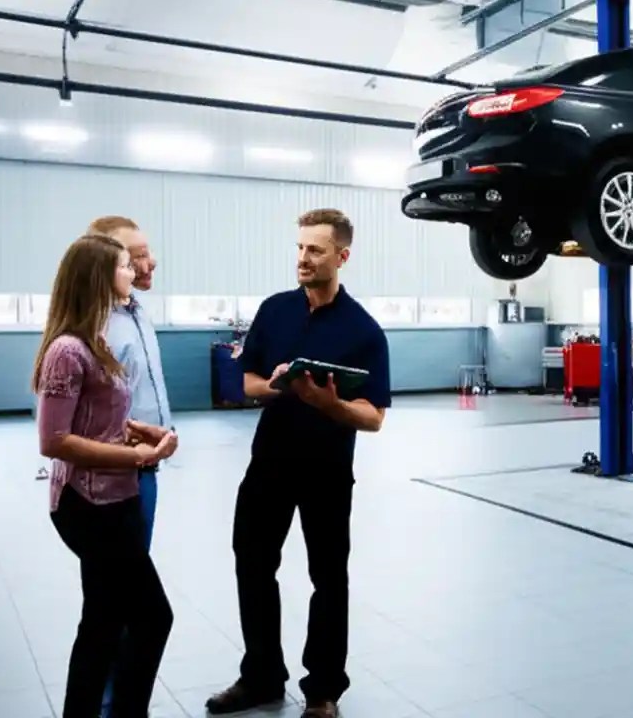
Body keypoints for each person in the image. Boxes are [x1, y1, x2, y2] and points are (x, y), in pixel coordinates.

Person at [206, 209, 391, 718]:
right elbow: (243, 383)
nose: (303, 259)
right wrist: (279, 384)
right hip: (268, 463)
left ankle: (324, 690)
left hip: (328, 471)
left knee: (328, 577)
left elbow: (373, 417)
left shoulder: (364, 331)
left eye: (315, 250)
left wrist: (324, 403)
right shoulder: (275, 311)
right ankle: (261, 676)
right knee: (253, 564)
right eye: (300, 248)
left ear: (342, 257)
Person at [33, 233, 176, 718]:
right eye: (123, 266)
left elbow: (103, 421)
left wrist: (143, 434)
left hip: (117, 498)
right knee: (152, 618)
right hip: (87, 504)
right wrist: (136, 458)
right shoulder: (68, 351)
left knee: (103, 620)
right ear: (99, 278)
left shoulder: (99, 343)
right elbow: (54, 441)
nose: (134, 273)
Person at [86, 215, 178, 718]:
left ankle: (122, 701)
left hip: (145, 472)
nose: (150, 262)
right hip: (112, 479)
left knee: (123, 595)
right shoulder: (94, 324)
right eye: (135, 256)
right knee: (115, 599)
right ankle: (107, 706)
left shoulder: (136, 311)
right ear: (108, 264)